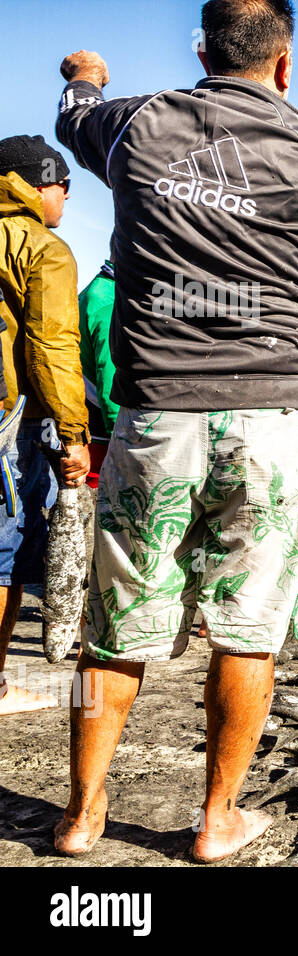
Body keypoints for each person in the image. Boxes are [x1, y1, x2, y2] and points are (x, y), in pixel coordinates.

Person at [53, 0, 298, 862]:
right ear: (285, 64)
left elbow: (74, 117)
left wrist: (85, 72)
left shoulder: (139, 125)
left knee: (117, 625)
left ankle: (82, 817)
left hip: (156, 414)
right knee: (247, 629)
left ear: (202, 49)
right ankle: (217, 817)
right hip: (270, 420)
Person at [0, 134, 91, 716]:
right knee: (3, 558)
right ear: (38, 185)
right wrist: (75, 433)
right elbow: (51, 345)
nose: (66, 200)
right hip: (12, 421)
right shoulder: (43, 248)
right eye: (64, 187)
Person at [79, 258, 117, 486]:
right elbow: (111, 376)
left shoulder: (97, 287)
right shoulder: (109, 299)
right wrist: (120, 438)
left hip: (90, 418)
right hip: (104, 431)